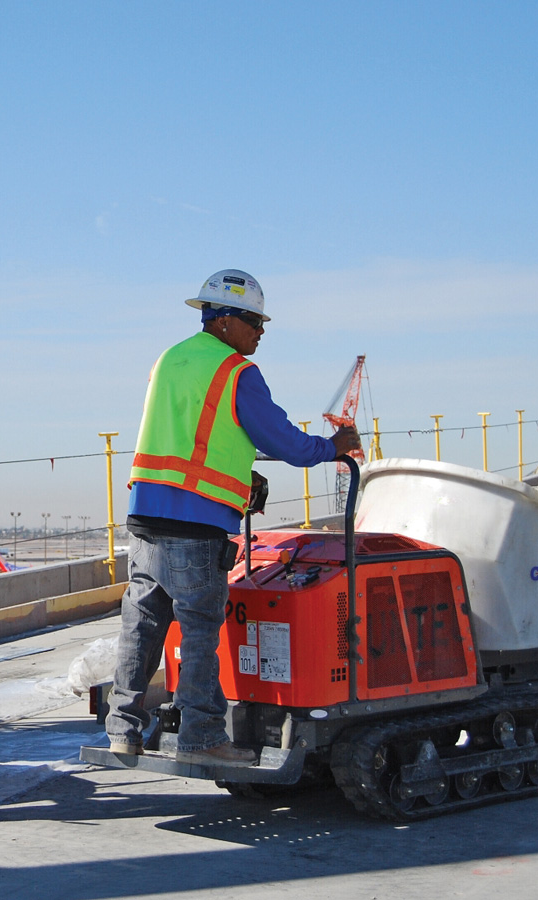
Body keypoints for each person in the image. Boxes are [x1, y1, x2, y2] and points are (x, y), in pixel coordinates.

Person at [107, 269, 361, 767]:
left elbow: (195, 435)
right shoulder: (235, 372)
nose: (260, 331)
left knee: (142, 625)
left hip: (146, 516)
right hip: (196, 522)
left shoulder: (171, 359)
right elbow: (281, 440)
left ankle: (123, 729)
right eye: (253, 321)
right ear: (222, 320)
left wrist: (241, 477)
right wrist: (332, 447)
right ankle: (203, 735)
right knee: (200, 630)